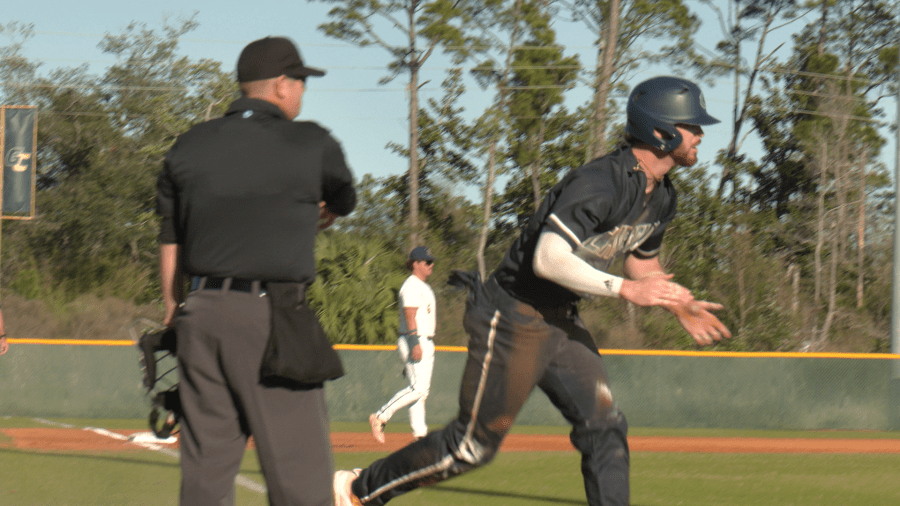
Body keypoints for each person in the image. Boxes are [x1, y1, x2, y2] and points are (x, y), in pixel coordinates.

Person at [334, 76, 731, 506]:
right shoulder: (600, 181)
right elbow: (548, 258)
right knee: (471, 447)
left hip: (560, 319)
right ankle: (358, 490)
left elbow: (641, 261)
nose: (700, 135)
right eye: (692, 126)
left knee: (605, 427)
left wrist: (678, 302)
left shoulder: (662, 196)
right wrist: (623, 290)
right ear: (661, 131)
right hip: (513, 312)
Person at [157, 36, 356, 506]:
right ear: (282, 86)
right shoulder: (310, 140)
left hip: (200, 313)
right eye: (300, 82)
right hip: (270, 318)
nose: (303, 93)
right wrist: (319, 208)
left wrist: (173, 309)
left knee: (206, 475)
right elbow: (343, 199)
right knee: (299, 479)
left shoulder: (190, 145)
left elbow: (171, 238)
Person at [369, 246, 437, 443]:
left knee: (420, 391)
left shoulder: (423, 286)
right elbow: (409, 314)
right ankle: (380, 416)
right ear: (415, 264)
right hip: (415, 338)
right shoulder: (411, 285)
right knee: (418, 388)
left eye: (431, 261)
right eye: (427, 262)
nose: (431, 265)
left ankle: (420, 436)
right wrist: (414, 343)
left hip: (424, 339)